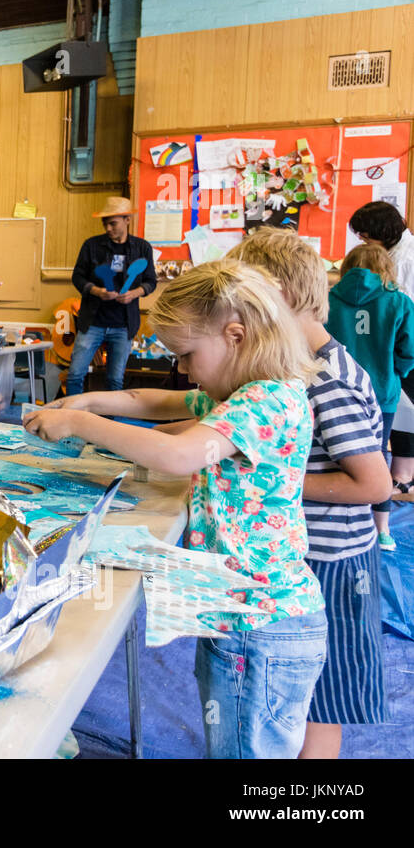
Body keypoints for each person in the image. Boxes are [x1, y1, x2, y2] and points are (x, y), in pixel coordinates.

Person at [25, 260, 327, 759]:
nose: (183, 369)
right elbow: (151, 403)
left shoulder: (267, 400)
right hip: (237, 615)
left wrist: (81, 427)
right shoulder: (238, 394)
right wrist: (84, 404)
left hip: (260, 624)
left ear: (235, 335)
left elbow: (180, 453)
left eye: (187, 355)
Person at [227, 228, 391, 758]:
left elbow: (373, 482)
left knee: (322, 699)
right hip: (309, 555)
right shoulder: (296, 369)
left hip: (337, 565)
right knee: (299, 690)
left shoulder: (326, 379)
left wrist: (271, 481)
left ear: (278, 294)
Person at [327, 242, 414, 550]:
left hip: (334, 389)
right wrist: (396, 372)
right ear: (385, 269)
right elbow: (409, 351)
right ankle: (383, 529)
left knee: (335, 457)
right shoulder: (399, 302)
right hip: (381, 390)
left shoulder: (327, 300)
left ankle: (338, 525)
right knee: (377, 456)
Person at [347, 200, 414, 496]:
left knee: (404, 412)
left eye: (365, 235)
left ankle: (402, 474)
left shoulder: (406, 259)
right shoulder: (393, 253)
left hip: (400, 347)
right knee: (394, 414)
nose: (362, 240)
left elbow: (404, 309)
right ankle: (394, 475)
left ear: (382, 232)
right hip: (391, 351)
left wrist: (400, 367)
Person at [65, 196, 157, 395]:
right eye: (105, 223)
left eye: (112, 223)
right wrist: (97, 291)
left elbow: (151, 282)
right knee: (75, 374)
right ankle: (69, 418)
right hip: (92, 322)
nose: (108, 228)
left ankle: (109, 422)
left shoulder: (142, 248)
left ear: (127, 220)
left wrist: (134, 294)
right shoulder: (91, 246)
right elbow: (77, 277)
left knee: (115, 380)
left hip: (123, 325)